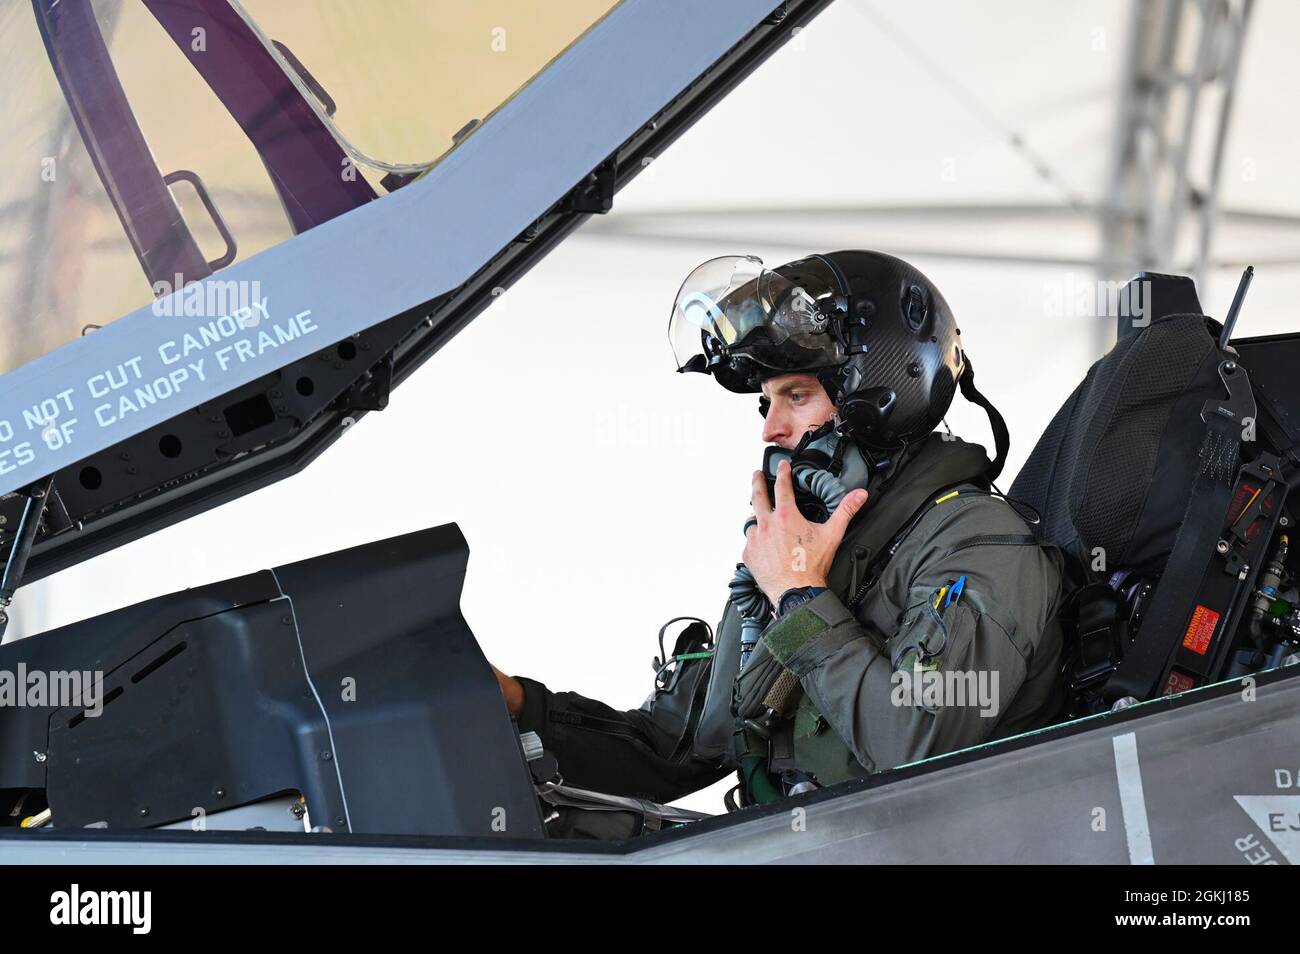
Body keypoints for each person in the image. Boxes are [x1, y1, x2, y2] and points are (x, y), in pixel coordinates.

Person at [491, 250, 1065, 836]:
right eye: (767, 403)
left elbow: (911, 739)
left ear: (882, 398)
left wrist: (797, 595)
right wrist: (518, 704)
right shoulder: (816, 549)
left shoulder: (977, 544)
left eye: (796, 396)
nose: (770, 429)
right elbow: (679, 746)